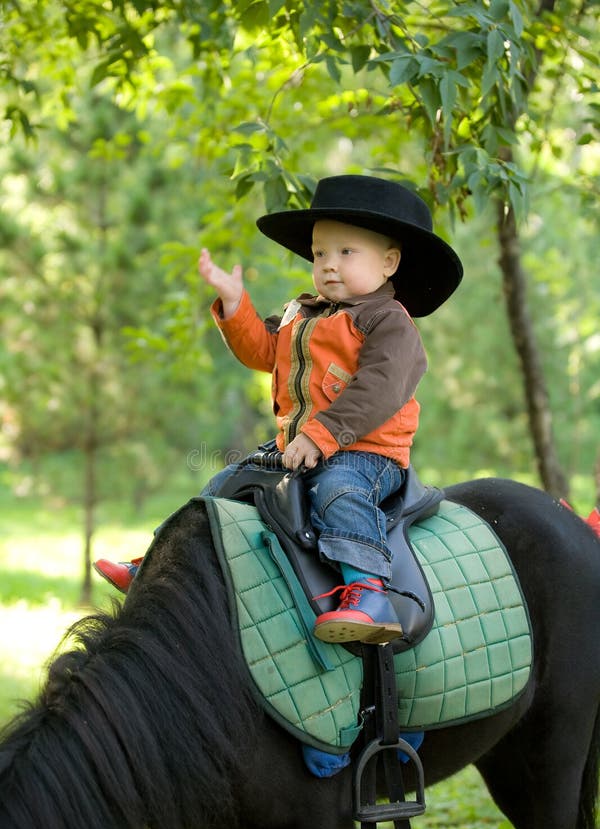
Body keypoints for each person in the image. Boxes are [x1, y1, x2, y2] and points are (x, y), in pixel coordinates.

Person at [94, 174, 463, 644]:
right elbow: (263, 351)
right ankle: (161, 562)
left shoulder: (388, 322)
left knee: (338, 491)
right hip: (300, 443)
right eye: (319, 253)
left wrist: (323, 435)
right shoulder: (301, 313)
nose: (329, 265)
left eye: (346, 252)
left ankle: (369, 591)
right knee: (224, 484)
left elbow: (380, 388)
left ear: (389, 262)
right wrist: (234, 304)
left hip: (366, 452)